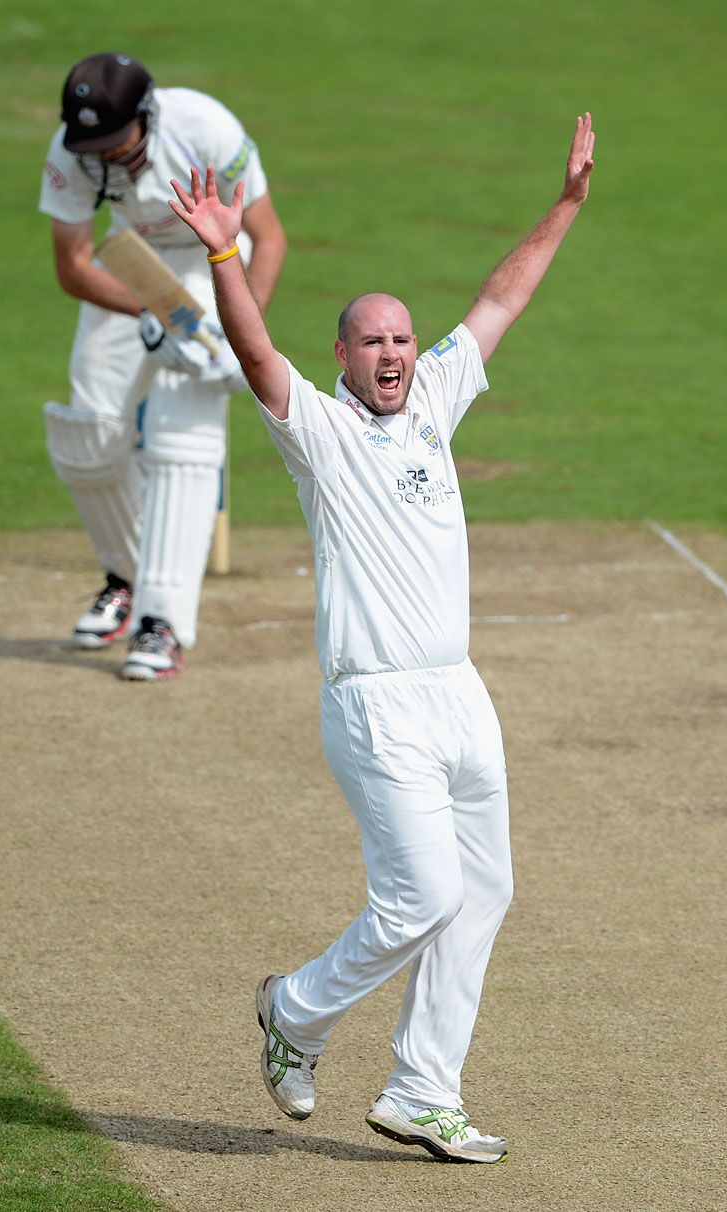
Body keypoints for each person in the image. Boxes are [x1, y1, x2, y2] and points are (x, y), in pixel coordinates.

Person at [169, 114, 595, 1161]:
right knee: (423, 898)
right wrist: (226, 250)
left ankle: (421, 1091)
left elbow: (501, 297)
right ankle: (296, 1013)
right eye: (373, 341)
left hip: (460, 692)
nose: (394, 353)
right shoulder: (316, 429)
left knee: (483, 891)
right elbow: (252, 347)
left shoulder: (439, 397)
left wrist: (568, 203)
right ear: (344, 356)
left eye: (402, 338)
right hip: (375, 703)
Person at [38, 52, 286, 679]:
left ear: (147, 114)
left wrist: (239, 334)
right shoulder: (72, 152)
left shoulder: (207, 128)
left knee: (182, 441)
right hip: (134, 269)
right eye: (94, 145)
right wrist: (151, 313)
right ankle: (127, 577)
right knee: (85, 437)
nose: (107, 156)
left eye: (117, 141)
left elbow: (269, 235)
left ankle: (162, 623)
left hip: (215, 256)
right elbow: (73, 267)